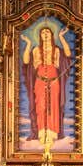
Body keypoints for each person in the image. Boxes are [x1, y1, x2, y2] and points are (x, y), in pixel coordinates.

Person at [22, 21, 73, 153]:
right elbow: (26, 62)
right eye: (42, 32)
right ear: (39, 35)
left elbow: (68, 55)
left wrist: (62, 38)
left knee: (53, 107)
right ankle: (41, 133)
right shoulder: (35, 50)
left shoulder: (57, 50)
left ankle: (52, 134)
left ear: (51, 35)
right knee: (40, 106)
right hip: (40, 82)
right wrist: (27, 44)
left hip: (54, 81)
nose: (45, 34)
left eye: (47, 32)